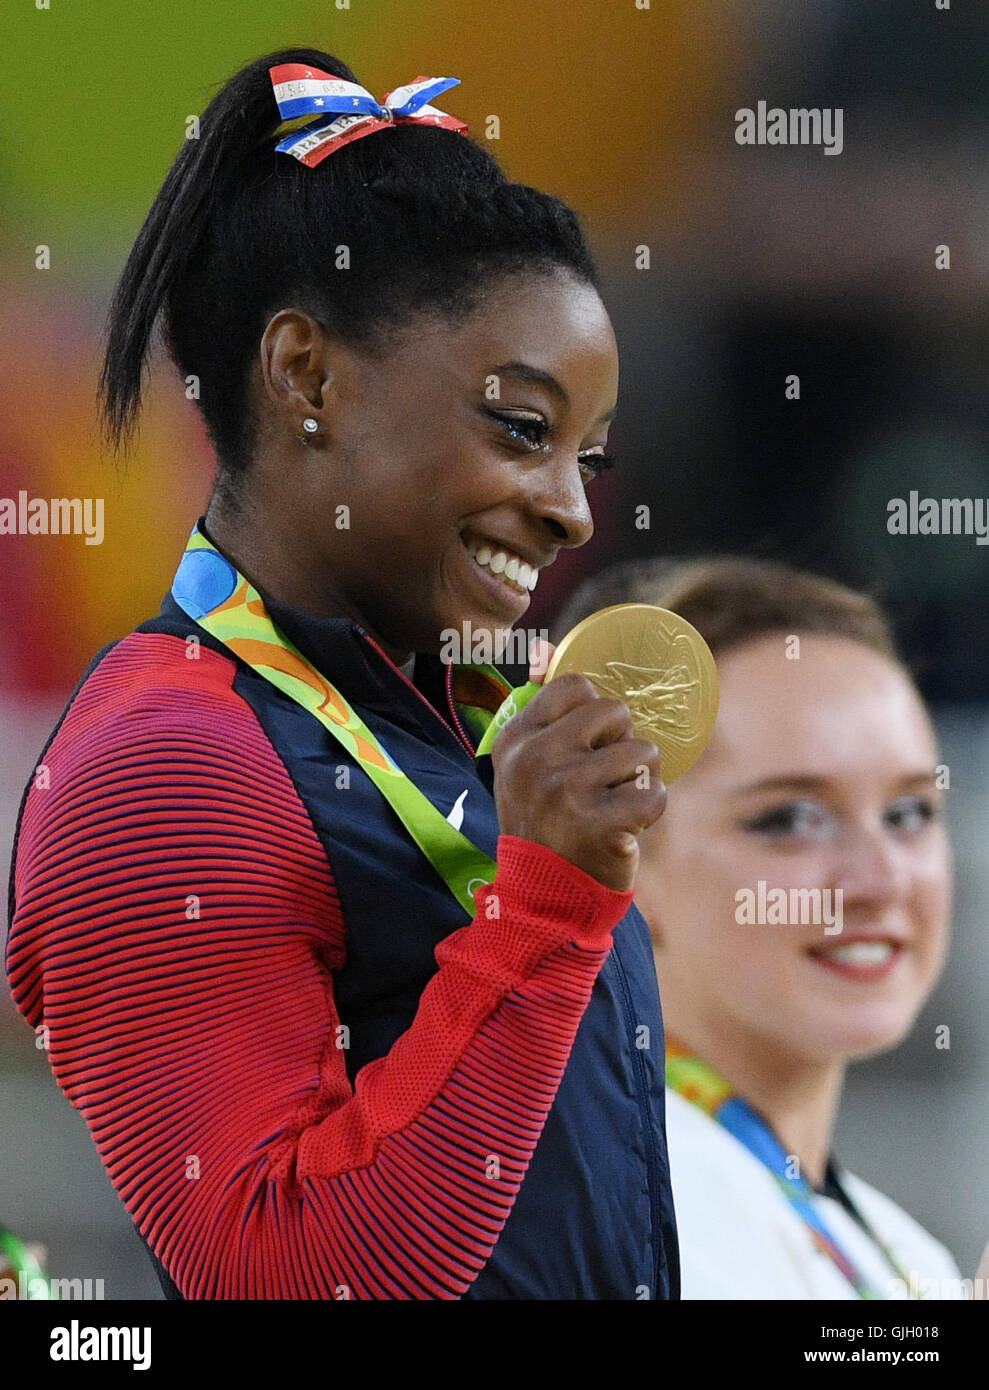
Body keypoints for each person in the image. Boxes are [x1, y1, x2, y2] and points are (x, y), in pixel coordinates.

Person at [5, 48, 676, 1301]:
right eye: (524, 429)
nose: (575, 511)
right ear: (305, 373)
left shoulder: (459, 724)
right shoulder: (162, 770)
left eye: (591, 454)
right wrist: (542, 912)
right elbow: (285, 1278)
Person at [554, 556, 965, 1299]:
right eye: (789, 820)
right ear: (620, 859)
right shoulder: (590, 1221)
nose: (877, 882)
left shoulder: (909, 1256)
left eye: (908, 813)